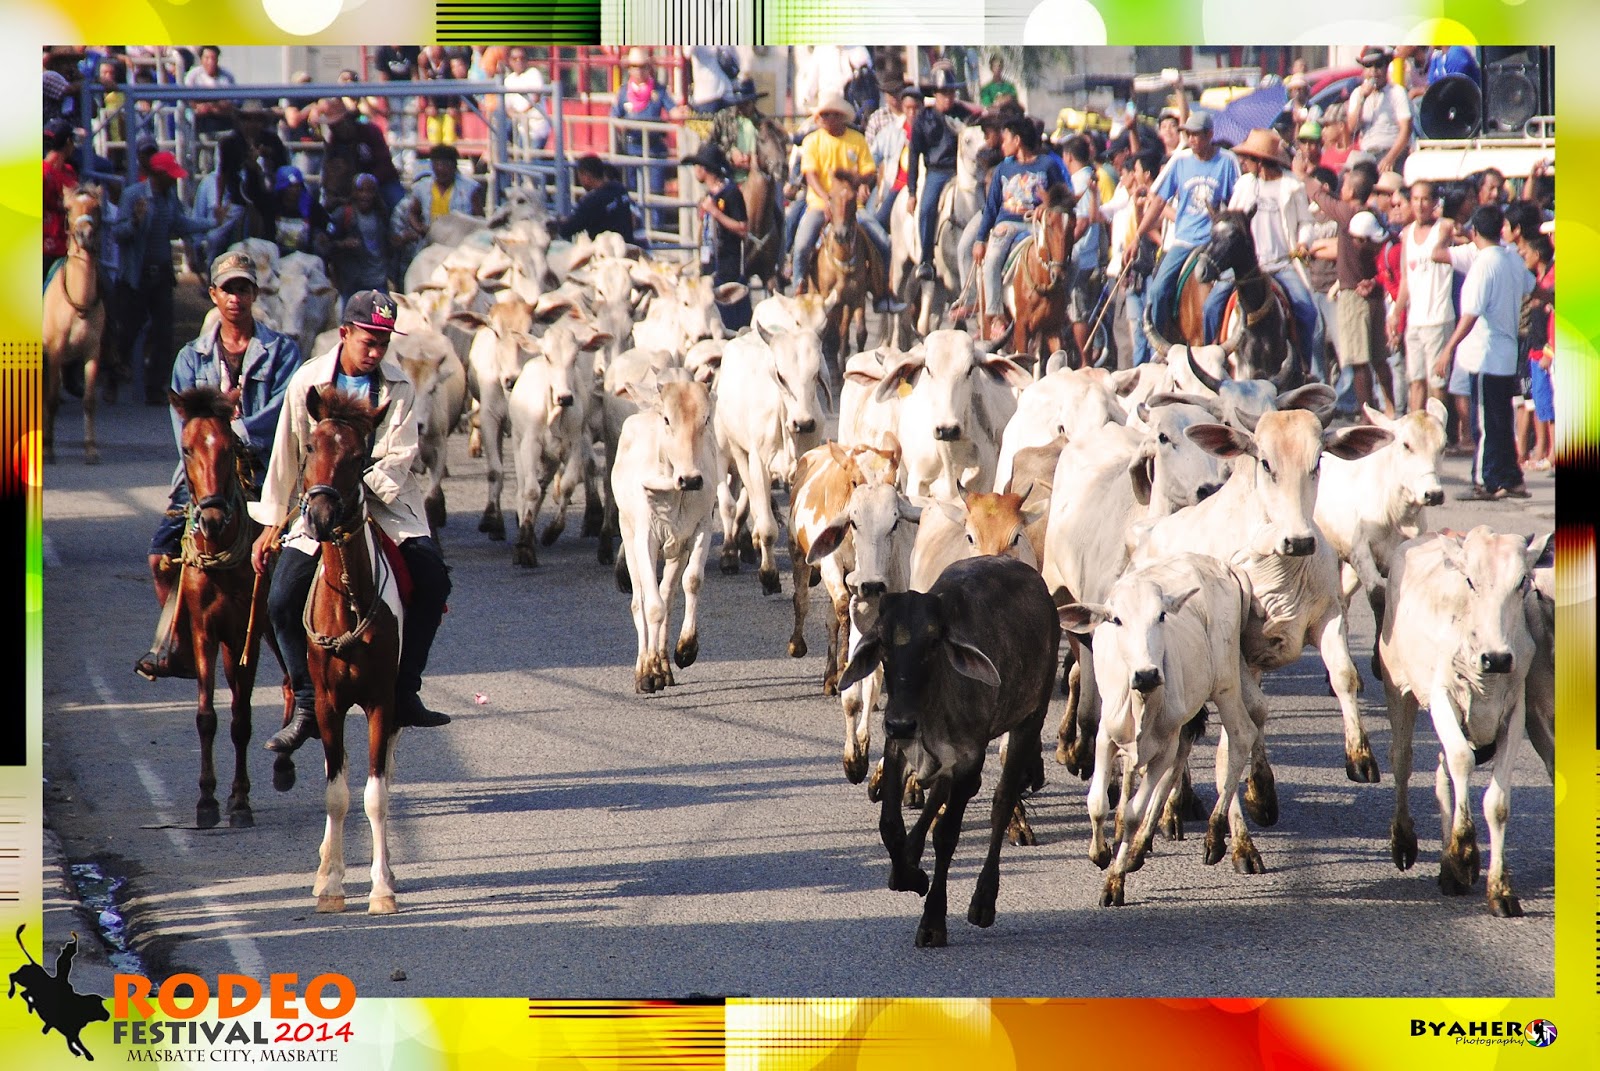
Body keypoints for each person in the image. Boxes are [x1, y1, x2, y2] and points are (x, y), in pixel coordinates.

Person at [253, 290, 454, 753]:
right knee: (281, 600)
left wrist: (356, 489)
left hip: (384, 505)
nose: (376, 351)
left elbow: (400, 457)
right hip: (320, 506)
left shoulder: (398, 386)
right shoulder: (309, 382)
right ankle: (306, 700)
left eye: (384, 342)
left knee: (433, 581)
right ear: (345, 333)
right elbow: (287, 452)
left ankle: (405, 690)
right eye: (369, 340)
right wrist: (270, 522)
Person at [135, 251, 302, 680]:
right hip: (205, 478)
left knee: (300, 559)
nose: (235, 298)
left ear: (254, 294)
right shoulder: (191, 358)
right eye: (227, 289)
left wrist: (239, 434)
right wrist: (209, 455)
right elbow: (183, 427)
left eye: (243, 288)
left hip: (266, 474)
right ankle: (181, 643)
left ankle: (302, 662)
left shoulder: (282, 353)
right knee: (159, 558)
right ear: (213, 294)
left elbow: (286, 409)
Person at [1435, 206, 1540, 501]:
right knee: (1501, 419)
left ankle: (1485, 480)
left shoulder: (1484, 264)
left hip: (1485, 353)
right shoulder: (1511, 259)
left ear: (1474, 233)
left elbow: (1470, 314)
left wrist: (1448, 349)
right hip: (1506, 355)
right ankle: (1511, 477)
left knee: (1484, 421)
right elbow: (1533, 287)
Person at [1200, 129, 1322, 379]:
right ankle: (1211, 361)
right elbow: (1231, 221)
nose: (1244, 163)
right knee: (1211, 306)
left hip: (1281, 263)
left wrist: (1302, 242)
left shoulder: (1291, 186)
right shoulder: (1244, 185)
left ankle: (1303, 367)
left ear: (1261, 160)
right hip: (1247, 267)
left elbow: (1306, 222)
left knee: (1307, 311)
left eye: (1249, 158)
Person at [112, 151, 216, 406]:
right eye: (170, 176)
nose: (174, 181)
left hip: (161, 273)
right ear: (158, 175)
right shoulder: (133, 196)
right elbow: (118, 232)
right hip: (137, 275)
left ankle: (155, 386)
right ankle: (113, 374)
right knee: (127, 330)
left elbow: (180, 224)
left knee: (163, 331)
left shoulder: (170, 198)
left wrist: (211, 222)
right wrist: (136, 222)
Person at [1127, 110, 1239, 344]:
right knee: (1157, 291)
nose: (1191, 140)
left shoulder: (1227, 161)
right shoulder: (1180, 161)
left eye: (1196, 135)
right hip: (1184, 241)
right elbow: (1158, 201)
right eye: (1188, 135)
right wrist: (1137, 236)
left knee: (1235, 289)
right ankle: (1159, 345)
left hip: (1214, 243)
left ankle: (1225, 343)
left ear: (1209, 135)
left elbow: (1237, 203)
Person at [789, 94, 904, 314]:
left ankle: (883, 293)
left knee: (883, 242)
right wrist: (826, 199)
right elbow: (810, 175)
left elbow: (869, 170)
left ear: (839, 117)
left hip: (853, 207)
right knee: (802, 244)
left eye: (826, 115)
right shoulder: (813, 141)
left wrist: (861, 184)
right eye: (821, 115)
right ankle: (798, 287)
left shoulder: (856, 139)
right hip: (819, 204)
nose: (821, 119)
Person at [972, 117, 1071, 342]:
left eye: (1005, 138)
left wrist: (1045, 207)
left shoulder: (1047, 165)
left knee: (1062, 259)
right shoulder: (1003, 169)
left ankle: (1061, 308)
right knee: (992, 261)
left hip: (1037, 226)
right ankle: (995, 314)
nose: (1002, 144)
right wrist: (980, 240)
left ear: (1017, 140)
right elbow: (991, 208)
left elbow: (1061, 197)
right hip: (1006, 226)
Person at [1309, 165, 1397, 418]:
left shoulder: (1349, 212)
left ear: (1351, 190)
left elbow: (1319, 196)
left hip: (1353, 295)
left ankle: (1368, 414)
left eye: (1344, 185)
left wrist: (1304, 174)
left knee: (1359, 361)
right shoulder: (1375, 216)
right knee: (1379, 358)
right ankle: (1391, 408)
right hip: (1375, 295)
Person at [1390, 179, 1458, 421]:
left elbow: (1465, 238)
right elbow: (1406, 280)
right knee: (1415, 380)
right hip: (1415, 320)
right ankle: (1416, 428)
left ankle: (1438, 428)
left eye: (1425, 199)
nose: (1419, 205)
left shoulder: (1444, 228)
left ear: (1434, 203)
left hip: (1438, 317)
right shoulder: (1406, 234)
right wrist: (1396, 313)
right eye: (1415, 199)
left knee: (1436, 381)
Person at [908, 67, 981, 283]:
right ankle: (926, 260)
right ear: (935, 94)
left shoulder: (965, 114)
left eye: (951, 92)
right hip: (937, 171)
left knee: (985, 201)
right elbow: (914, 154)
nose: (948, 97)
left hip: (964, 170)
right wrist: (912, 191)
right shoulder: (924, 117)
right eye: (943, 93)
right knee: (928, 207)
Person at [684, 145, 752, 332]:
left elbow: (742, 228)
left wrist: (715, 213)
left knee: (731, 321)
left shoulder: (731, 193)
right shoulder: (710, 195)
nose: (695, 170)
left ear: (704, 169)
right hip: (710, 265)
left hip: (727, 266)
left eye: (697, 166)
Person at [610, 48, 678, 233]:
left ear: (649, 68)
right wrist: (622, 126)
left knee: (655, 194)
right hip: (632, 149)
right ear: (629, 69)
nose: (638, 71)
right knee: (632, 193)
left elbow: (674, 111)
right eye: (634, 67)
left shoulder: (659, 91)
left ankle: (656, 234)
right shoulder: (623, 92)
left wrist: (683, 114)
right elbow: (614, 116)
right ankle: (637, 233)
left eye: (642, 67)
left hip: (654, 149)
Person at [319, 96, 407, 216]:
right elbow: (330, 171)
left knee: (399, 205)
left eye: (337, 124)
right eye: (332, 125)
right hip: (351, 187)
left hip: (382, 182)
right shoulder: (334, 141)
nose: (334, 128)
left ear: (346, 119)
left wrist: (368, 182)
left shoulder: (370, 131)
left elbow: (385, 165)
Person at [1061, 135, 1105, 359]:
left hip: (1082, 256)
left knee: (1077, 310)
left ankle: (1086, 360)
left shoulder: (1080, 181)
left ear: (1068, 156)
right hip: (1089, 254)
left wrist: (1065, 245)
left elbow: (1084, 220)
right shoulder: (1088, 177)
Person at [323, 172, 393, 300]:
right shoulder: (342, 214)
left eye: (369, 191)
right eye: (360, 191)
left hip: (378, 279)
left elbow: (388, 243)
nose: (365, 196)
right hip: (353, 281)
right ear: (354, 192)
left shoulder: (382, 214)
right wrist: (343, 244)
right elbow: (325, 245)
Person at [1346, 47, 1412, 177]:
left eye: (1378, 66)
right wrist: (1362, 98)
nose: (1374, 71)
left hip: (1391, 151)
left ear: (1386, 67)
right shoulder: (1357, 93)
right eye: (1369, 66)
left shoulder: (1396, 92)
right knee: (1346, 178)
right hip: (1366, 154)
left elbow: (1406, 129)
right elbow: (1352, 127)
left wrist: (1390, 158)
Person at [555, 154, 639, 245]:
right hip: (628, 245)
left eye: (579, 176)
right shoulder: (619, 189)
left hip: (605, 251)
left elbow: (566, 230)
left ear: (586, 176)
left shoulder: (591, 201)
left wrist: (558, 223)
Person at [43, 121, 79, 279]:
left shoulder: (70, 172)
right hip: (45, 249)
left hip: (68, 247)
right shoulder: (42, 173)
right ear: (68, 143)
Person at [502, 47, 551, 149]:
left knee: (532, 161)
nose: (518, 61)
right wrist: (515, 116)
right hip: (520, 130)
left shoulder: (534, 73)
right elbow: (507, 107)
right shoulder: (509, 80)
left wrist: (520, 114)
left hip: (536, 129)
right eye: (515, 58)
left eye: (522, 58)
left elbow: (535, 98)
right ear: (509, 61)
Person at [184, 46, 237, 138]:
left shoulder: (227, 76)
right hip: (199, 118)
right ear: (201, 59)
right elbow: (190, 100)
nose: (210, 62)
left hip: (222, 116)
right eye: (207, 58)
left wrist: (212, 107)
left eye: (213, 58)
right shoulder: (193, 75)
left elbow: (230, 103)